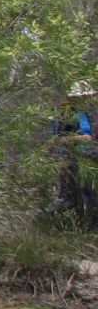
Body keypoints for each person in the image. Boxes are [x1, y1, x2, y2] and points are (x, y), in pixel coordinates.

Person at [45, 80, 98, 225]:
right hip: (70, 159)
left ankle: (90, 228)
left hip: (90, 158)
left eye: (87, 96)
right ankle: (41, 220)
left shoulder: (87, 113)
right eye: (83, 97)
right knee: (67, 199)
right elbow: (54, 140)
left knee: (92, 195)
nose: (86, 99)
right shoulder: (63, 114)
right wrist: (77, 138)